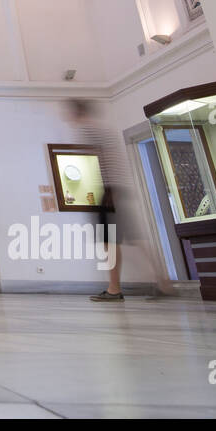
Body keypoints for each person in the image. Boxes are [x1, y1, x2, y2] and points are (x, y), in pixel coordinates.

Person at [64, 99, 130, 303]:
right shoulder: (98, 129)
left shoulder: (88, 129)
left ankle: (114, 288)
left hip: (109, 190)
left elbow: (99, 156)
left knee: (109, 241)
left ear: (77, 112)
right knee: (113, 241)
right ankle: (115, 286)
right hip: (110, 189)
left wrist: (109, 190)